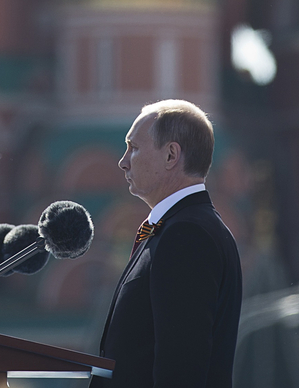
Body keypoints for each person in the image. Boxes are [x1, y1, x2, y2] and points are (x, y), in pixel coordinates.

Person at [93, 100, 242, 388]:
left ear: (171, 155)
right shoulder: (177, 227)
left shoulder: (187, 235)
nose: (123, 161)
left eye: (134, 148)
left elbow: (182, 366)